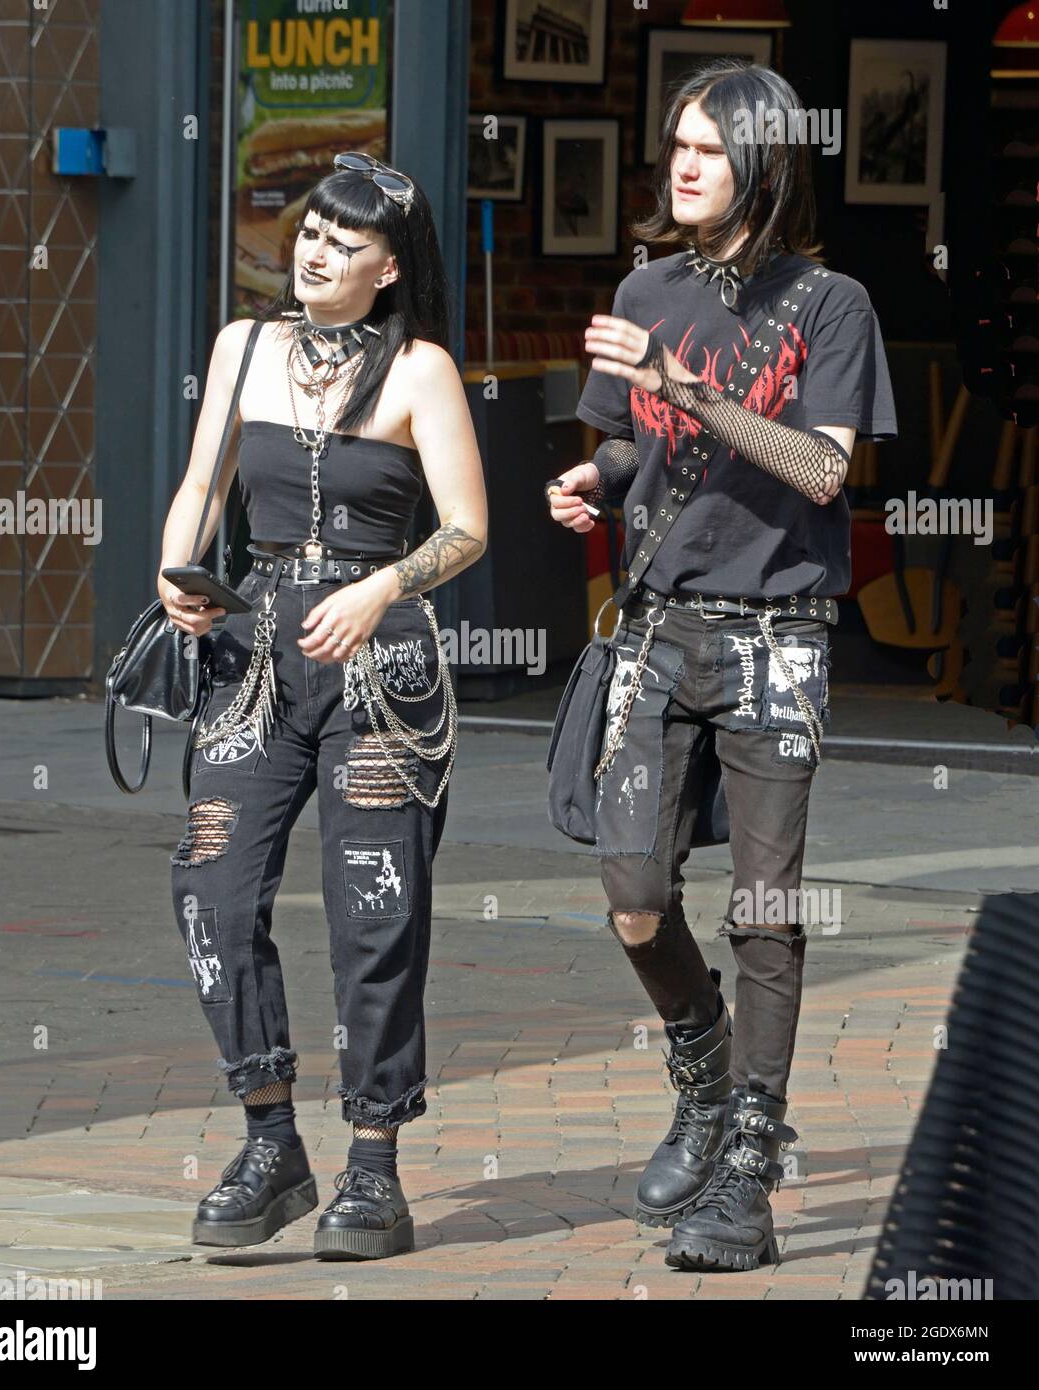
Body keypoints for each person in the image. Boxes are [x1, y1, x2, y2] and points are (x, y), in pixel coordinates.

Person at [547, 61, 897, 1271]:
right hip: (655, 632)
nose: (679, 165)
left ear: (762, 160)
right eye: (674, 146)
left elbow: (820, 470)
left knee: (765, 906)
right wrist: (594, 479)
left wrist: (684, 388)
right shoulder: (644, 285)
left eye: (705, 148)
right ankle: (700, 1067)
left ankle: (747, 1161)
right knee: (632, 894)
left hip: (775, 642)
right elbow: (629, 445)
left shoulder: (830, 303)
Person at [158, 153, 487, 1260]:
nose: (313, 251)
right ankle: (269, 1138)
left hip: (379, 666)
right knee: (211, 887)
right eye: (308, 231)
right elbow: (203, 487)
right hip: (254, 649)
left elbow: (464, 530)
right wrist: (175, 574)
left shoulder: (423, 370)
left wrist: (381, 585)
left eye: (343, 242)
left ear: (387, 267)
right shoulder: (241, 346)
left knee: (374, 916)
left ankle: (373, 1166)